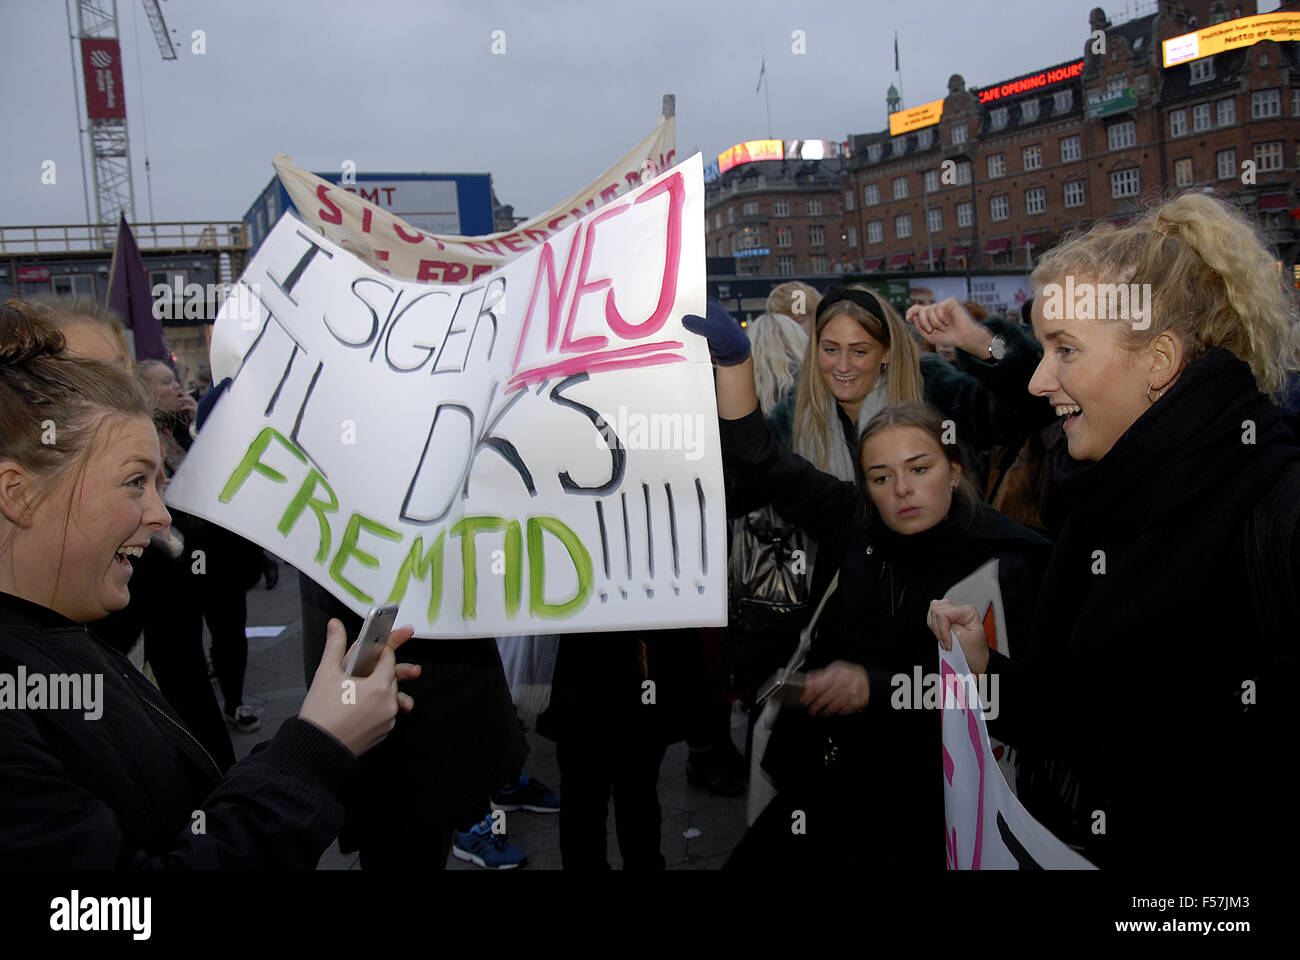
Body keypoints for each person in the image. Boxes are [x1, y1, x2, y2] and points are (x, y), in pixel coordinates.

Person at [923, 191, 1300, 869]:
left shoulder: (1276, 506)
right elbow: (1089, 720)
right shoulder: (1105, 494)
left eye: (1065, 349)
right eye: (1042, 348)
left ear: (1158, 362)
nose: (1039, 379)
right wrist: (986, 674)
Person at [0, 307, 417, 868]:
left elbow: (184, 806)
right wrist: (318, 749)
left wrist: (318, 728)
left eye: (157, 481)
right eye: (133, 482)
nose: (157, 513)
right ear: (17, 492)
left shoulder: (57, 636)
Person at [682, 305, 1051, 868]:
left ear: (955, 469)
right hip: (833, 776)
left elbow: (1025, 710)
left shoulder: (1009, 562)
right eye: (881, 477)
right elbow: (760, 462)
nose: (901, 489)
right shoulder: (856, 517)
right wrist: (735, 362)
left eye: (919, 468)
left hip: (938, 807)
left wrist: (875, 687)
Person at [772, 285, 1052, 491]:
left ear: (887, 352)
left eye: (859, 351)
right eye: (831, 349)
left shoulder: (928, 388)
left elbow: (1029, 411)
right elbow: (748, 472)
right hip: (829, 570)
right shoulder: (794, 414)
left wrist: (981, 343)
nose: (843, 366)